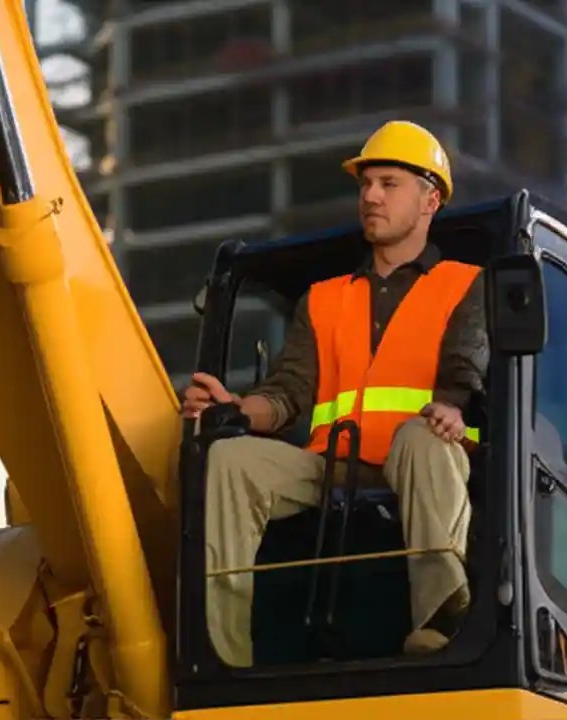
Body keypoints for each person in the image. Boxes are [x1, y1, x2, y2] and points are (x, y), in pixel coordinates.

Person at [182, 120, 489, 668]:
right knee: (230, 459)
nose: (370, 196)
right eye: (365, 184)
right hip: (332, 470)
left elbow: (465, 370)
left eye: (389, 183)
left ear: (430, 200)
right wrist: (233, 409)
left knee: (422, 439)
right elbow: (288, 393)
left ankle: (442, 617)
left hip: (421, 458)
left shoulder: (465, 283)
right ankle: (222, 649)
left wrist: (451, 408)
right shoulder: (322, 299)